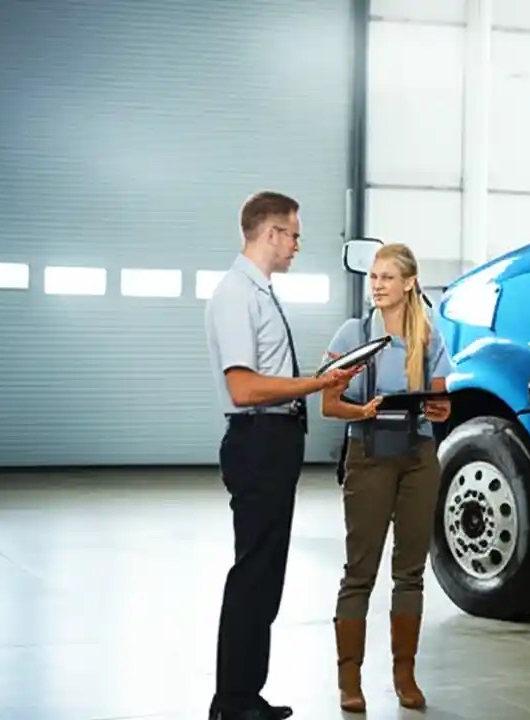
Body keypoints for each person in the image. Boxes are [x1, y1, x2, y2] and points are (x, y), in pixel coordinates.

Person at [204, 191, 362, 720]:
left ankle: (246, 695)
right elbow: (244, 388)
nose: (297, 244)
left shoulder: (260, 292)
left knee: (265, 574)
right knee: (253, 574)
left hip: (274, 440)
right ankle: (231, 703)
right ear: (269, 233)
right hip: (258, 441)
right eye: (293, 233)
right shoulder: (236, 295)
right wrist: (317, 383)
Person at [320, 242, 452, 712]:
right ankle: (349, 680)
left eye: (387, 278)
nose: (377, 285)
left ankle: (405, 675)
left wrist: (439, 407)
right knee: (360, 572)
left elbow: (442, 401)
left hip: (418, 454)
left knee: (410, 572)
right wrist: (365, 409)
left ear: (409, 283)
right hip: (368, 452)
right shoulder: (354, 333)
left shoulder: (429, 337)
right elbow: (328, 402)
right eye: (374, 277)